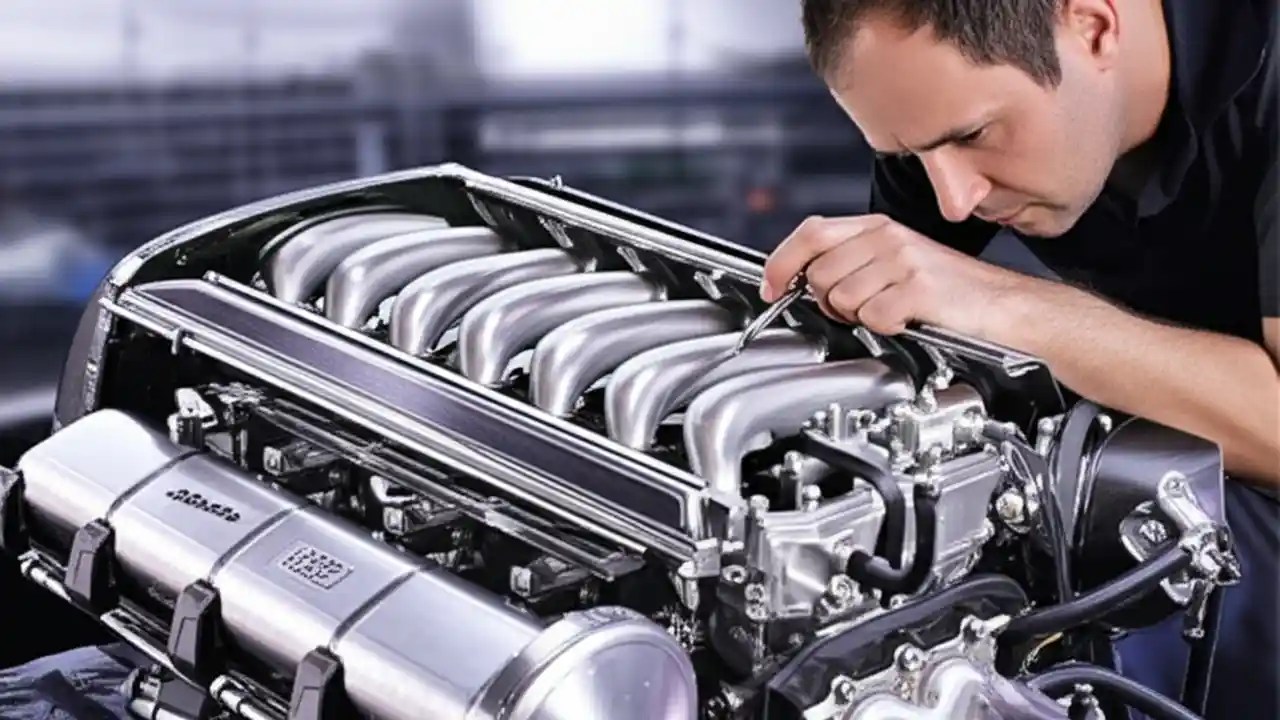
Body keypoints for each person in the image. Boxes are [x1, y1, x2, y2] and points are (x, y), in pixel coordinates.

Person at [765, 0, 1277, 718]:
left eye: (973, 135)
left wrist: (1003, 303)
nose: (953, 201)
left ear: (1093, 27)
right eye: (908, 157)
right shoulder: (946, 114)